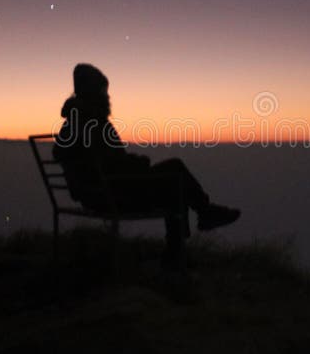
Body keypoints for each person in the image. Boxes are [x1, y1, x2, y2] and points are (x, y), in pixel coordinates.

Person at [53, 63, 240, 267]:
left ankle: (183, 244)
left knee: (173, 181)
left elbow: (84, 158)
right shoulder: (93, 123)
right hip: (111, 194)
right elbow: (111, 165)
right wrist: (140, 163)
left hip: (98, 192)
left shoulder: (73, 123)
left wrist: (129, 163)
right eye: (102, 90)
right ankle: (188, 237)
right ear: (93, 92)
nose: (107, 96)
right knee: (175, 171)